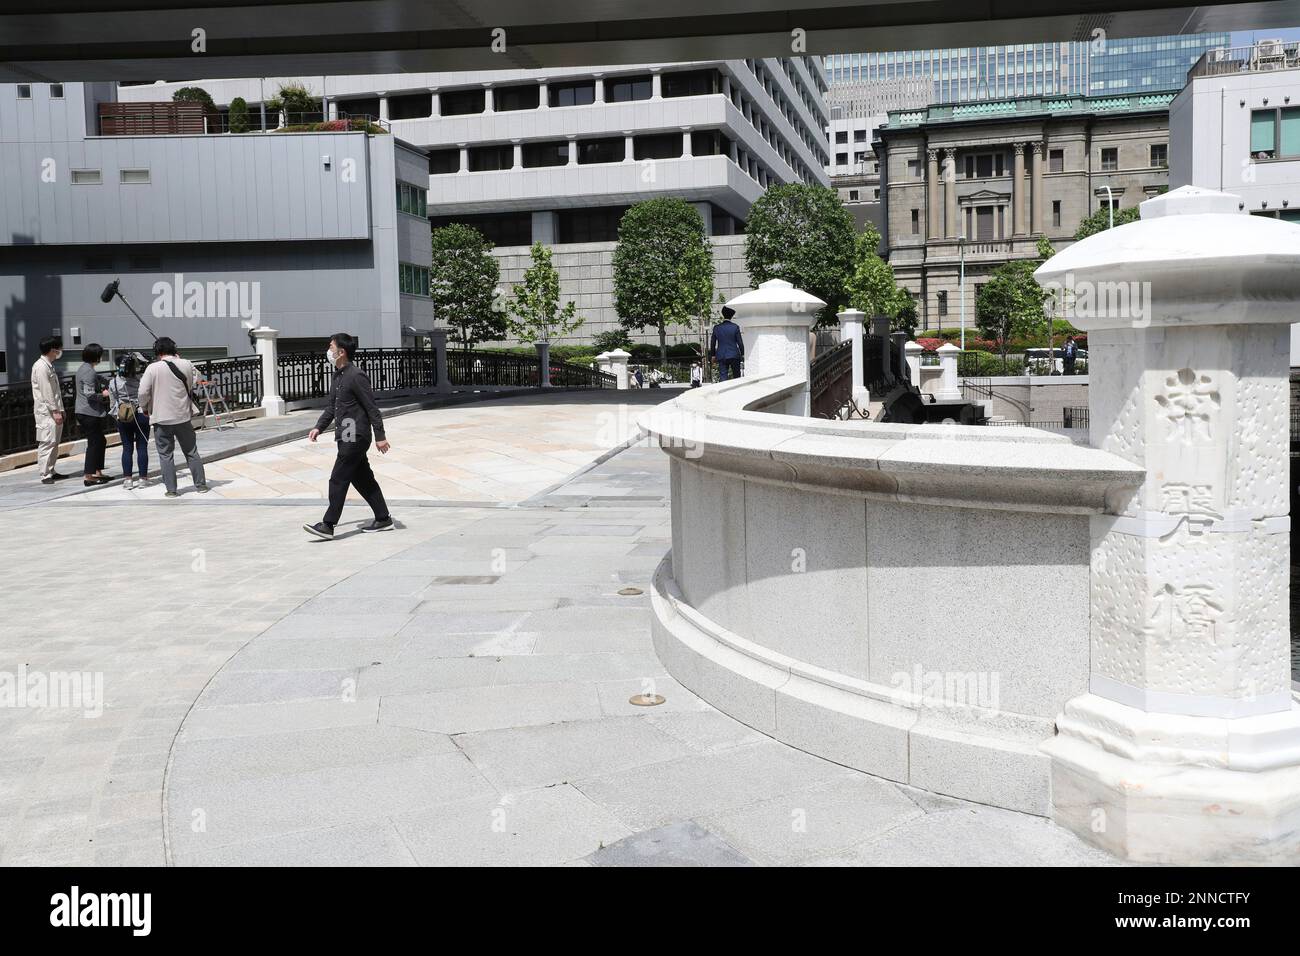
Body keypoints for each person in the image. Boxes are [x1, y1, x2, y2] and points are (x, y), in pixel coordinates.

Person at [303, 333, 393, 539]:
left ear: (341, 352)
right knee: (363, 479)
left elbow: (372, 408)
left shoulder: (356, 375)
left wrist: (380, 435)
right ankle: (383, 518)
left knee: (338, 478)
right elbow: (332, 407)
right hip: (345, 434)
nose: (329, 350)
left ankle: (328, 524)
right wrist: (319, 426)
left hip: (355, 435)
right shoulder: (338, 376)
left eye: (331, 346)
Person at [138, 337, 208, 498]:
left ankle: (171, 489)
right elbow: (199, 378)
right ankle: (201, 484)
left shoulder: (152, 368)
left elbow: (142, 392)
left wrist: (144, 408)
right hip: (183, 415)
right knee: (191, 451)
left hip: (161, 417)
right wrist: (180, 359)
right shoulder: (186, 363)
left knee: (165, 454)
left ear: (158, 352)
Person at [31, 336, 70, 485]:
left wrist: (61, 409)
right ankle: (45, 473)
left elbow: (55, 392)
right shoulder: (40, 367)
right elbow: (47, 392)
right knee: (47, 441)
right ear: (52, 350)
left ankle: (51, 470)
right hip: (46, 413)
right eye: (58, 349)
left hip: (53, 411)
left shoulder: (48, 365)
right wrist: (55, 410)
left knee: (55, 441)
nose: (60, 351)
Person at [110, 352, 151, 490]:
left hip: (123, 416)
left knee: (127, 448)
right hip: (141, 414)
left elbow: (112, 403)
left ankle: (128, 480)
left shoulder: (114, 382)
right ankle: (143, 479)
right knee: (142, 447)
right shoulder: (142, 379)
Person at [74, 343, 111, 487]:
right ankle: (89, 476)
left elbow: (97, 378)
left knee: (100, 441)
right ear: (96, 356)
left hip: (85, 411)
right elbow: (90, 394)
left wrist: (110, 381)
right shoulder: (88, 371)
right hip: (89, 412)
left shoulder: (84, 368)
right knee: (94, 443)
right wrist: (104, 394)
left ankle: (97, 471)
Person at [710, 305, 744, 381]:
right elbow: (740, 343)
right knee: (737, 376)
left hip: (721, 355)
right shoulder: (735, 327)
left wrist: (713, 355)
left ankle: (724, 391)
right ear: (732, 316)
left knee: (723, 376)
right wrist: (742, 354)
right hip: (734, 354)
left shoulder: (717, 328)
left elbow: (712, 343)